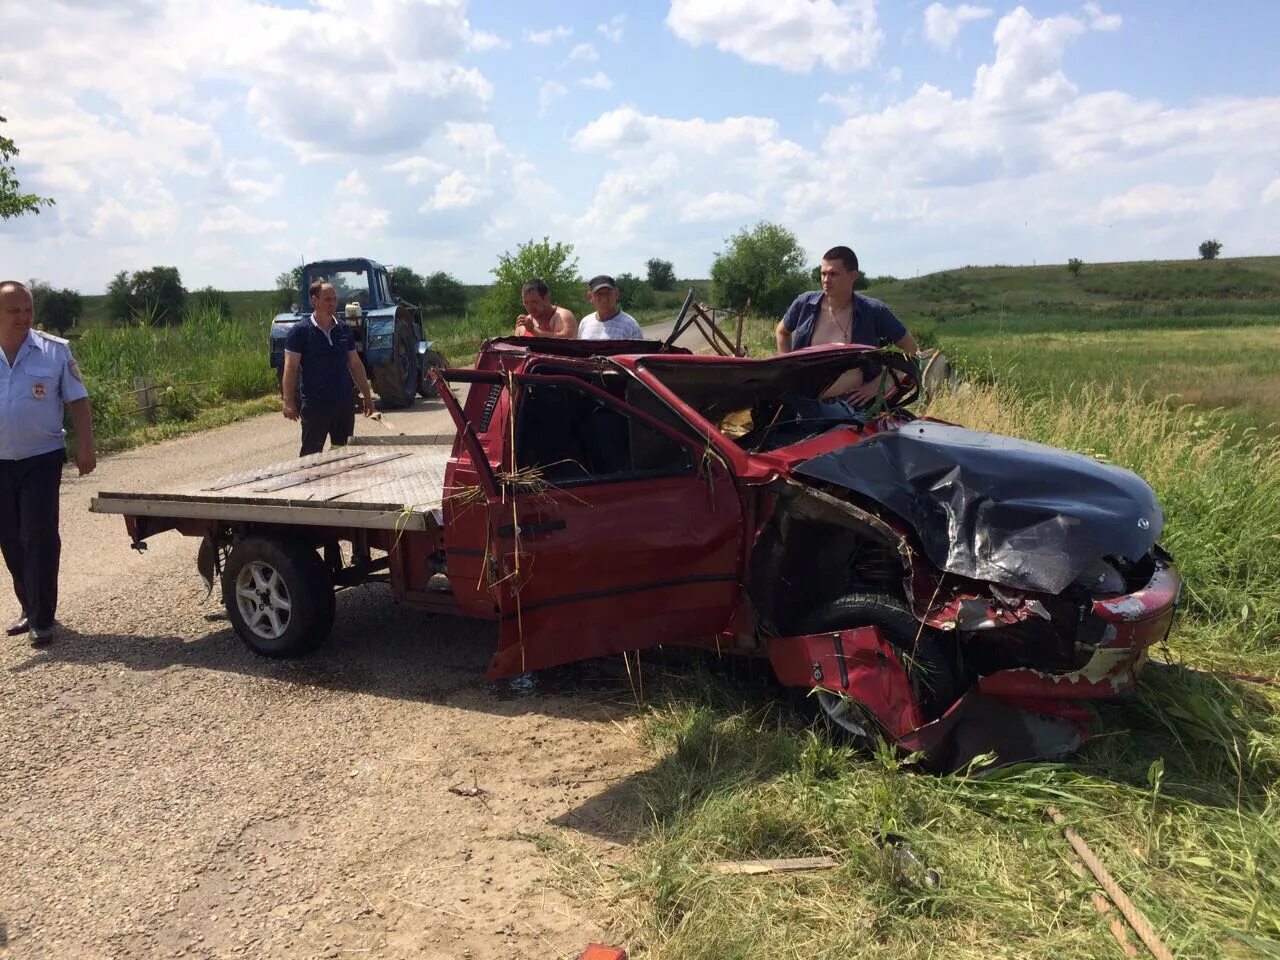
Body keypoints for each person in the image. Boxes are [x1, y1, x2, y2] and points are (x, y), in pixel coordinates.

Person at [0, 280, 96, 647]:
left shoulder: (54, 351)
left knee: (38, 534)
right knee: (9, 537)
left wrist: (85, 446)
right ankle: (28, 606)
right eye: (14, 311)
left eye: (28, 310)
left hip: (41, 457)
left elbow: (78, 400)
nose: (24, 317)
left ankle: (43, 617)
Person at [775, 246, 918, 404]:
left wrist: (877, 385)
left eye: (833, 274)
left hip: (851, 409)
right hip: (803, 402)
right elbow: (782, 332)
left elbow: (910, 347)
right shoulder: (805, 304)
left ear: (852, 276)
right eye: (823, 273)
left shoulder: (873, 311)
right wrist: (786, 371)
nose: (826, 280)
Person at [282, 280, 376, 456]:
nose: (332, 303)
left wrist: (367, 397)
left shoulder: (344, 330)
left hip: (344, 404)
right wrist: (288, 401)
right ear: (314, 301)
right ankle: (311, 483)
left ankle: (340, 483)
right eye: (327, 299)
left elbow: (355, 364)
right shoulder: (300, 331)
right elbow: (290, 367)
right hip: (316, 405)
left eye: (334, 299)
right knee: (311, 455)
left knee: (343, 454)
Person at [577, 275, 644, 340]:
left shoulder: (630, 325)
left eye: (608, 293)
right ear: (590, 297)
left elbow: (640, 351)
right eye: (599, 294)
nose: (604, 298)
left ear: (616, 294)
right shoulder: (585, 323)